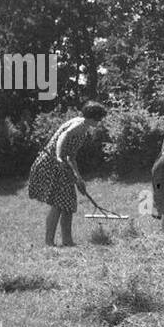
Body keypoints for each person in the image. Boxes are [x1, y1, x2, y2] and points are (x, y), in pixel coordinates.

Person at [28, 101, 108, 247]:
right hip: (52, 163)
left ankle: (67, 241)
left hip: (62, 164)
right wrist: (59, 156)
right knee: (59, 203)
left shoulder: (83, 128)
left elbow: (71, 157)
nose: (100, 121)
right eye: (99, 118)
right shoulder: (79, 125)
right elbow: (63, 137)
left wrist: (79, 178)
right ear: (93, 117)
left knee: (68, 203)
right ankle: (49, 243)